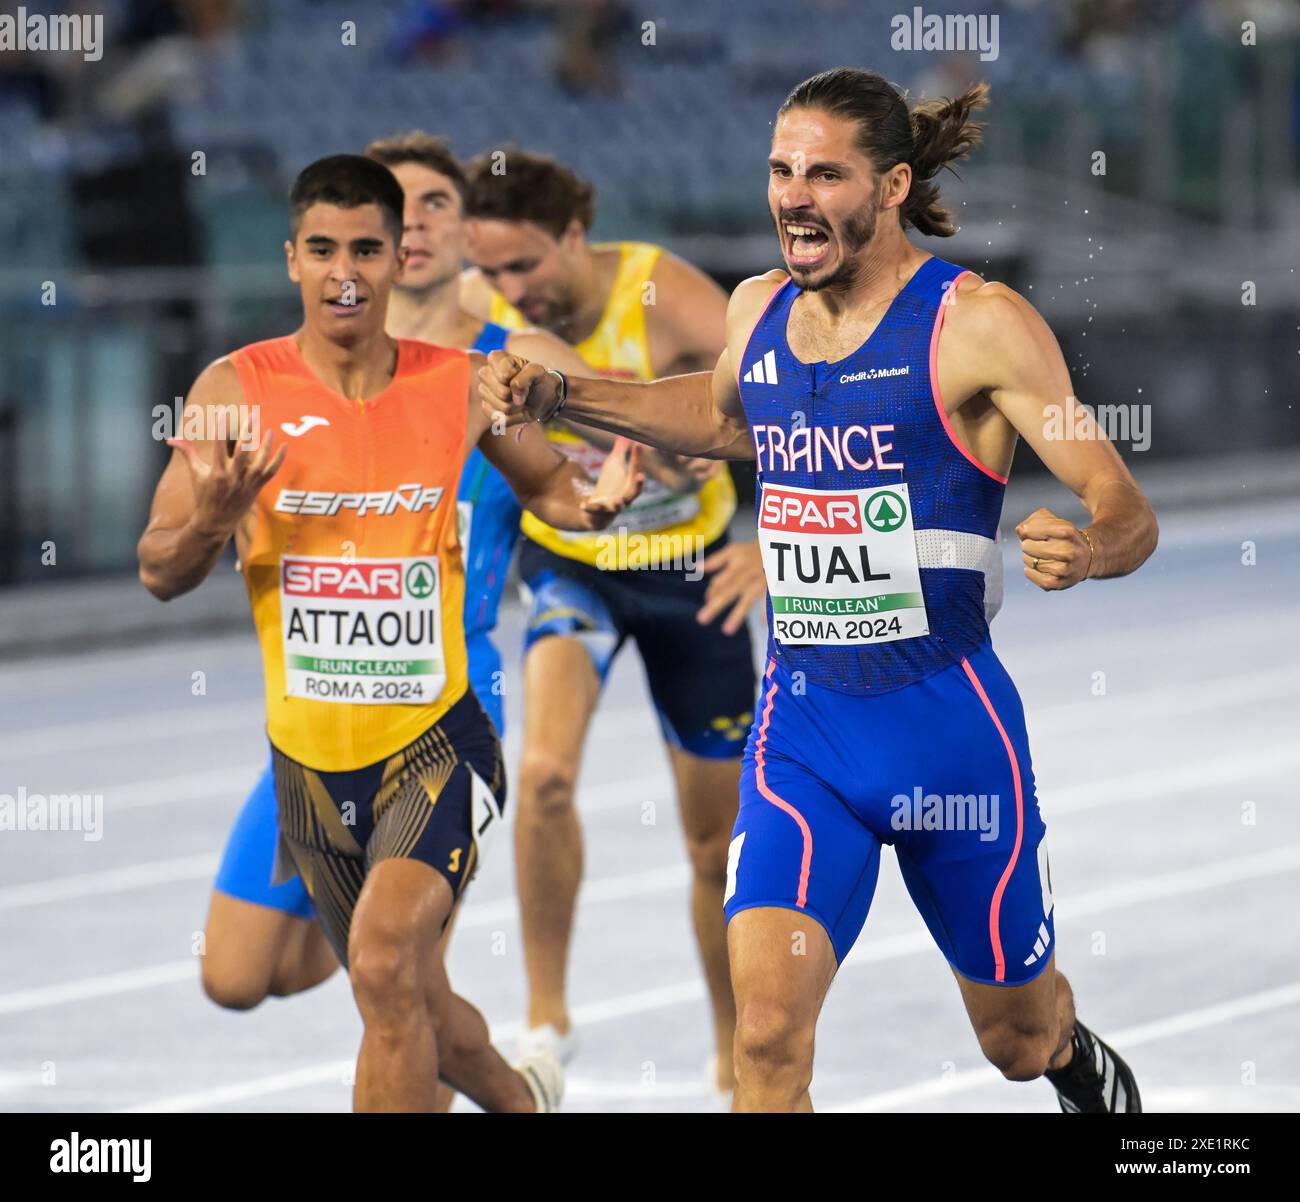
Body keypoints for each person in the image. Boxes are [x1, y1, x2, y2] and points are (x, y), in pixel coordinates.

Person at [477, 69, 1159, 1113]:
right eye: (780, 170)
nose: (793, 195)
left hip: (950, 733)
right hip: (805, 733)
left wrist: (1090, 547)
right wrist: (565, 394)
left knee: (1014, 1038)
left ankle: (1073, 1057)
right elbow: (715, 420)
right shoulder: (756, 309)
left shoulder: (975, 324)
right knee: (765, 1037)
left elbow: (1123, 506)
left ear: (889, 186)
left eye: (825, 173)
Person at [139, 153, 642, 1111]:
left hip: (439, 736)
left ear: (394, 258)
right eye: (322, 248)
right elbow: (159, 569)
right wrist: (212, 519)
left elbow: (549, 488)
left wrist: (598, 505)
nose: (345, 271)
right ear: (291, 259)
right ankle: (525, 1097)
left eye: (366, 248)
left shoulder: (460, 384)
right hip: (310, 759)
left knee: (381, 964)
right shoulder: (233, 392)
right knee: (350, 983)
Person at [460, 151, 766, 1091]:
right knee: (542, 777)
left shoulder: (665, 295)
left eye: (527, 269)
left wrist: (765, 542)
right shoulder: (471, 302)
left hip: (690, 579)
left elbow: (790, 402)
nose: (512, 292)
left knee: (714, 843)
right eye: (494, 272)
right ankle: (546, 1021)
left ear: (574, 237)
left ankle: (731, 1052)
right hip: (577, 569)